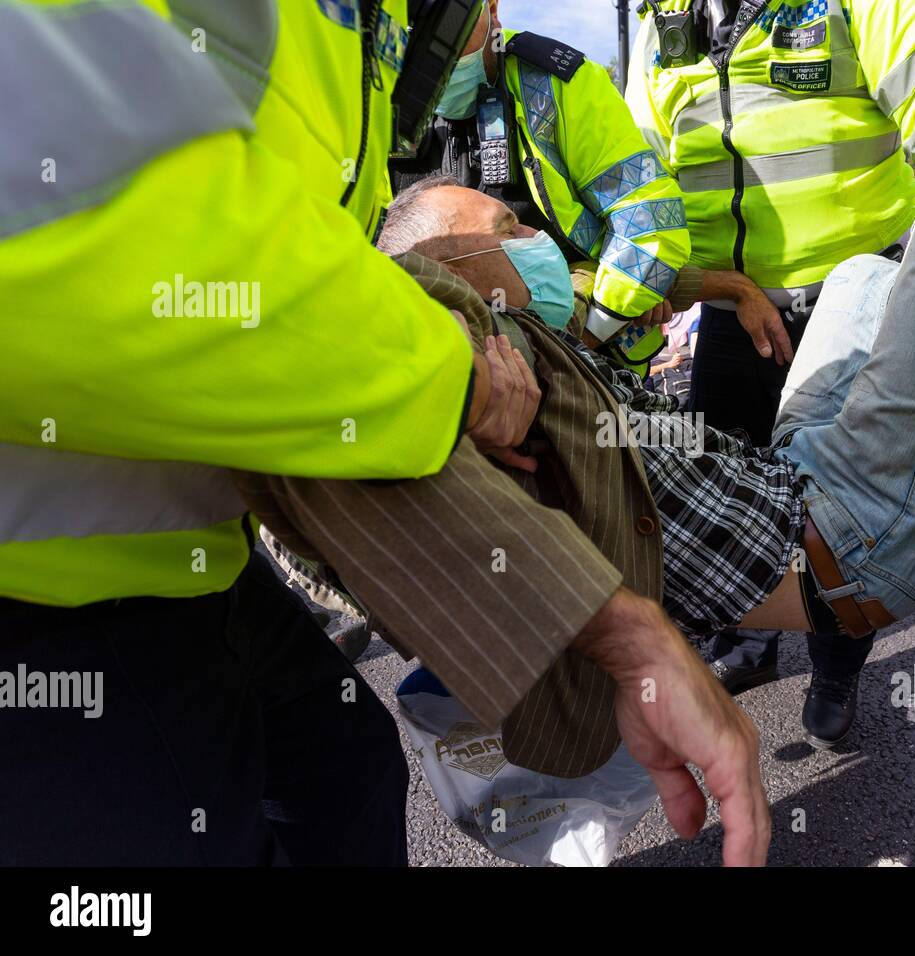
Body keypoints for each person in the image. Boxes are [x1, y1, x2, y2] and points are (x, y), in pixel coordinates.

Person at [0, 0, 767, 867]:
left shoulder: (390, 45)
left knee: (344, 772)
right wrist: (443, 371)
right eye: (509, 230)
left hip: (178, 536)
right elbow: (84, 235)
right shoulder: (486, 365)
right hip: (46, 587)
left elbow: (303, 273)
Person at [326, 167, 915, 754]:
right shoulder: (489, 365)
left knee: (863, 274)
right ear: (445, 270)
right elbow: (380, 347)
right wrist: (463, 376)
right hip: (854, 544)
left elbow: (619, 283)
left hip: (791, 473)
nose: (533, 239)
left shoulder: (541, 325)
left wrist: (732, 288)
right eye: (507, 230)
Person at [625, 0, 915, 738]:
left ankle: (837, 669)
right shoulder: (660, 23)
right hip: (730, 309)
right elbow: (639, 177)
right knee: (727, 499)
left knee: (849, 518)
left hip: (867, 304)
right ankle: (747, 642)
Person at [399, 0, 788, 375]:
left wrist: (587, 334)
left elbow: (649, 222)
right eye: (409, 33)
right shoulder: (372, 104)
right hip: (427, 351)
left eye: (447, 29)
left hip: (586, 358)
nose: (432, 55)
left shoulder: (554, 84)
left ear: (493, 9)